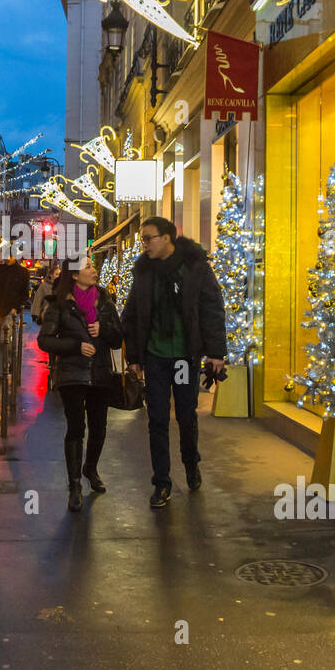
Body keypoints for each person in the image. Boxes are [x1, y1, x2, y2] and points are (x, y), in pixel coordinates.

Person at [122, 216, 227, 509]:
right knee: (156, 419)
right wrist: (133, 357)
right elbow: (132, 316)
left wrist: (216, 353)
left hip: (183, 357)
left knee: (185, 414)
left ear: (167, 238)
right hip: (155, 358)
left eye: (148, 238)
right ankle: (162, 482)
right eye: (142, 239)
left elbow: (211, 308)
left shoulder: (194, 267)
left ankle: (191, 463)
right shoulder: (144, 272)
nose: (144, 244)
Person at [37, 259, 122, 511]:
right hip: (72, 374)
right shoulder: (59, 305)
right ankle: (74, 485)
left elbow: (118, 339)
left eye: (93, 266)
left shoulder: (106, 303)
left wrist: (103, 328)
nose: (94, 270)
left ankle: (90, 469)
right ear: (74, 275)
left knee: (99, 427)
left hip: (100, 374)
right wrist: (75, 346)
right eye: (87, 267)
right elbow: (45, 341)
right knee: (76, 428)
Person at [0, 254, 30, 378]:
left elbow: (25, 294)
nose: (7, 257)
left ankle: (11, 361)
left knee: (4, 340)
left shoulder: (22, 272)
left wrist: (16, 308)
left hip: (10, 311)